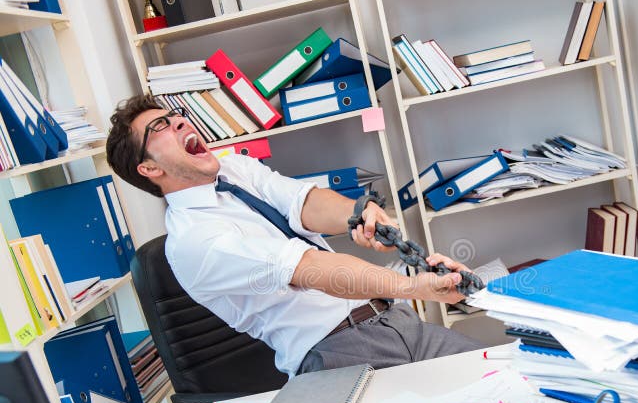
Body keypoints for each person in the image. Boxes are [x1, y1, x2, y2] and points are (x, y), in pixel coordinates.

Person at [106, 95, 484, 377]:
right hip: (337, 352)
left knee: (504, 383)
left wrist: (359, 214)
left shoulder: (233, 168)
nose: (180, 124)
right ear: (148, 167)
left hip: (397, 321)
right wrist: (416, 286)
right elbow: (314, 268)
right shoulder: (194, 241)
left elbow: (302, 203)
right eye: (161, 128)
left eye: (177, 117)